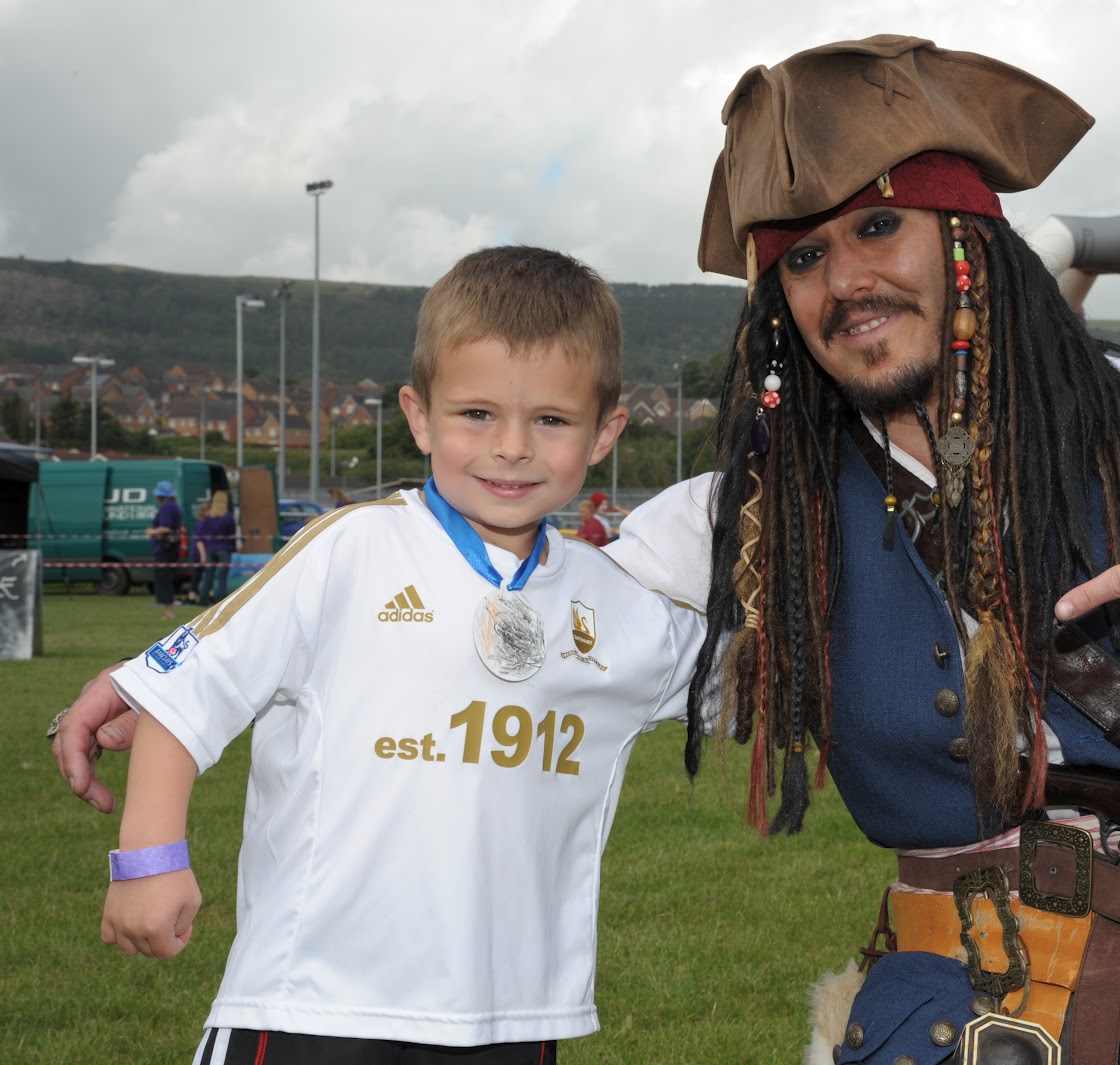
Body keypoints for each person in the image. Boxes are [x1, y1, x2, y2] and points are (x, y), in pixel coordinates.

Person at [50, 36, 1120, 1065]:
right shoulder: (752, 515)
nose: (844, 281)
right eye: (801, 260)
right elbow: (504, 595)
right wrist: (190, 667)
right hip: (954, 978)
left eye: (878, 229)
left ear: (969, 244)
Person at [94, 245, 702, 1064]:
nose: (512, 446)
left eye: (552, 420)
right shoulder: (351, 549)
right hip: (313, 1002)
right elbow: (183, 696)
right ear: (419, 416)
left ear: (605, 432)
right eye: (476, 413)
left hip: (512, 1017)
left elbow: (763, 676)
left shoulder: (618, 603)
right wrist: (149, 859)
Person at [143, 479, 185, 622]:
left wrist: (152, 532)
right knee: (167, 579)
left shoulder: (167, 507)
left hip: (164, 549)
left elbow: (165, 527)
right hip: (171, 549)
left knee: (163, 580)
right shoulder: (174, 506)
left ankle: (169, 612)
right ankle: (169, 611)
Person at [188, 489, 235, 606]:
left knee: (208, 576)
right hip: (224, 548)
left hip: (210, 549)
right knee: (222, 577)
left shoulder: (208, 518)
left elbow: (203, 535)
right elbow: (232, 533)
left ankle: (203, 600)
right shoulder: (228, 517)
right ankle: (221, 601)